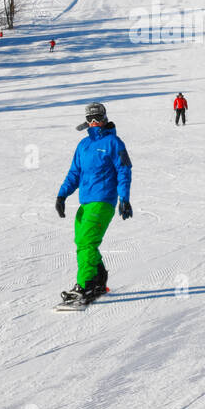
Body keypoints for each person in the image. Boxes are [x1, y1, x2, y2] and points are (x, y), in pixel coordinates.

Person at [55, 102, 133, 305]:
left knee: (87, 243)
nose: (95, 122)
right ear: (86, 121)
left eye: (98, 118)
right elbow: (74, 173)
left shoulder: (114, 142)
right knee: (82, 242)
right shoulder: (83, 145)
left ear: (105, 118)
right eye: (91, 119)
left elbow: (124, 171)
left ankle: (86, 284)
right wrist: (62, 195)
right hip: (86, 202)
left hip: (103, 200)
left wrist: (124, 198)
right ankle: (98, 280)